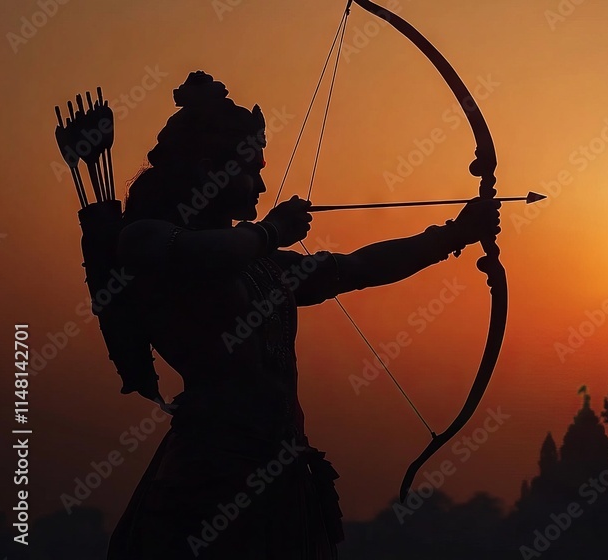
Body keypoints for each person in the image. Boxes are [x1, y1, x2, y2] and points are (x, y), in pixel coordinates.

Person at [106, 71, 500, 559]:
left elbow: (358, 267)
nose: (263, 182)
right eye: (252, 167)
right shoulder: (147, 239)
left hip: (279, 474)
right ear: (211, 167)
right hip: (207, 480)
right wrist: (271, 232)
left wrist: (453, 235)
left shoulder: (262, 264)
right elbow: (193, 251)